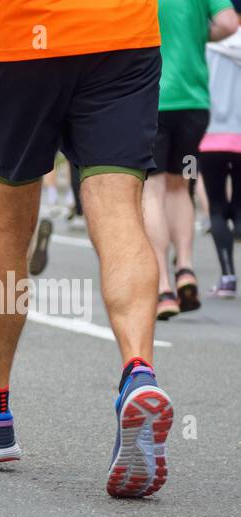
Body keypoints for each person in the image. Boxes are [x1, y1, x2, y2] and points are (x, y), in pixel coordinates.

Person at [0, 0, 175, 499]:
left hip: (23, 36)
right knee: (119, 211)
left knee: (6, 225)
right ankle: (139, 373)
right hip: (121, 33)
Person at [143, 0, 239, 319]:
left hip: (153, 102)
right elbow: (228, 22)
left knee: (152, 190)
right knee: (181, 184)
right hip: (194, 106)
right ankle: (185, 267)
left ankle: (163, 286)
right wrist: (198, 33)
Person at [200, 28, 241, 297]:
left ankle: (227, 278)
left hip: (210, 137)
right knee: (239, 207)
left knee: (216, 208)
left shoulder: (206, 46)